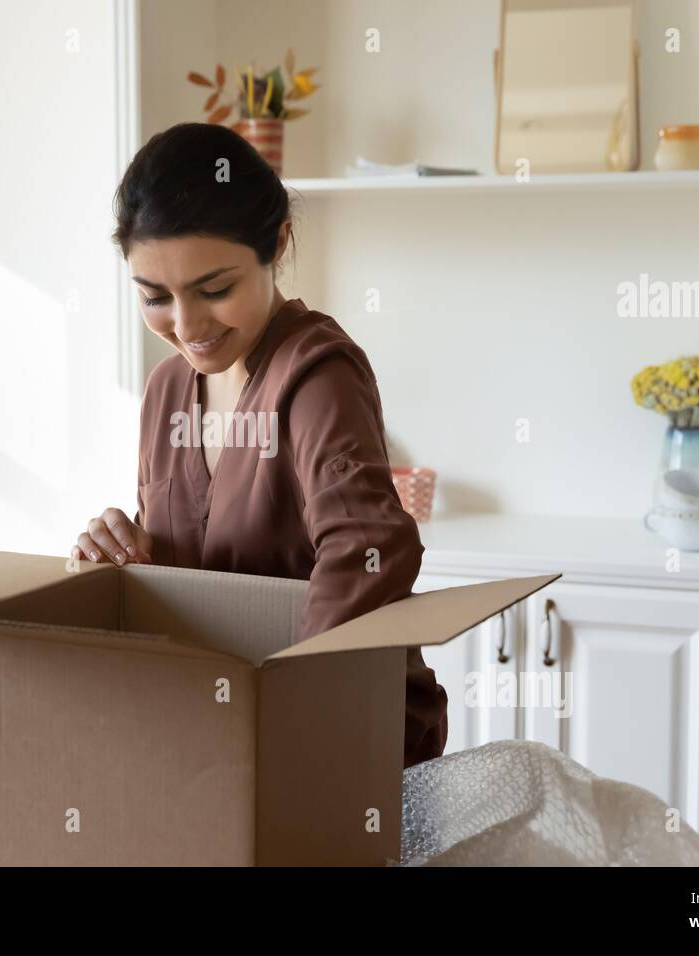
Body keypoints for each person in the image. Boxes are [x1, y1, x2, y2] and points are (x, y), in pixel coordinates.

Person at [71, 121, 446, 769]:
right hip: (208, 741)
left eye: (215, 290)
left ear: (278, 243)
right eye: (155, 297)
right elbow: (195, 555)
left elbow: (368, 548)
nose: (188, 328)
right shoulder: (165, 392)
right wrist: (118, 552)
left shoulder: (316, 373)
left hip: (333, 744)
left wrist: (288, 713)